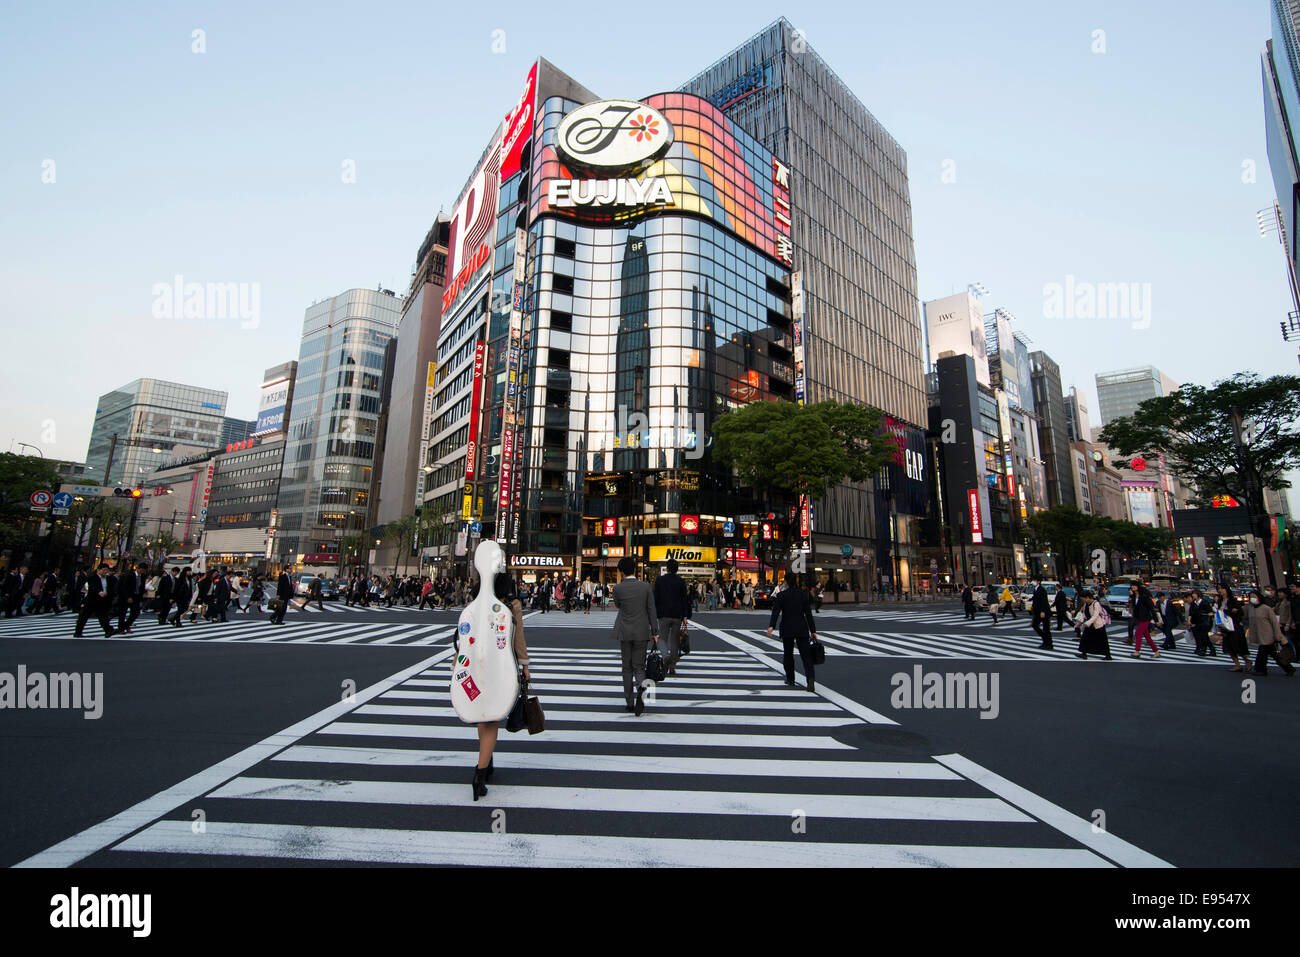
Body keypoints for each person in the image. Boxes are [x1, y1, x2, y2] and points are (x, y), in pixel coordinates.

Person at [471, 572, 531, 801]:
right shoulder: (511, 605)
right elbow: (519, 638)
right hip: (501, 665)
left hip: (477, 664)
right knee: (492, 718)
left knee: (482, 715)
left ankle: (487, 759)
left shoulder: (476, 603)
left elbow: (466, 635)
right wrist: (525, 665)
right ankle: (479, 774)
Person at [611, 555, 658, 715]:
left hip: (625, 631)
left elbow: (618, 605)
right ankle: (643, 692)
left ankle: (629, 702)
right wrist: (655, 632)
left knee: (626, 668)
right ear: (634, 570)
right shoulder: (645, 587)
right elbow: (651, 609)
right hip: (642, 631)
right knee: (639, 667)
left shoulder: (617, 589)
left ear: (622, 571)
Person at [767, 571, 819, 691]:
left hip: (787, 628)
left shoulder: (781, 596)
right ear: (795, 581)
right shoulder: (802, 595)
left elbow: (776, 612)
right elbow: (808, 613)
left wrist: (771, 626)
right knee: (806, 656)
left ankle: (790, 679)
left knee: (788, 654)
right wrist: (813, 630)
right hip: (801, 627)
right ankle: (810, 679)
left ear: (785, 582)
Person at [653, 558, 691, 677]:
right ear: (677, 569)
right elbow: (684, 599)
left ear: (667, 568)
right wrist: (685, 616)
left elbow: (656, 598)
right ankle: (672, 666)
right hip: (677, 615)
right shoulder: (681, 581)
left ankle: (665, 656)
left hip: (663, 614)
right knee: (674, 641)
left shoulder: (660, 580)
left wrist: (654, 613)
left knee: (662, 639)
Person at [1246, 588, 1295, 676]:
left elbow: (1274, 622)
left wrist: (1278, 634)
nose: (1252, 598)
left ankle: (1260, 669)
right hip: (1260, 634)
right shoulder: (1252, 609)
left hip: (1269, 634)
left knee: (1262, 653)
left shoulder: (1266, 608)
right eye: (1251, 597)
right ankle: (1288, 668)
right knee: (1273, 654)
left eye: (1254, 596)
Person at [74, 563, 117, 638]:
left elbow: (112, 588)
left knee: (103, 616)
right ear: (98, 570)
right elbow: (92, 587)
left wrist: (109, 594)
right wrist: (99, 592)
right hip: (91, 600)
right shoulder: (92, 577)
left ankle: (108, 631)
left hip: (102, 600)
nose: (105, 572)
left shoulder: (109, 578)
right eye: (104, 570)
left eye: (107, 570)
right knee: (84, 616)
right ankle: (78, 632)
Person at [1215, 584, 1249, 671]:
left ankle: (1246, 660)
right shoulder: (1220, 601)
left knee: (1237, 645)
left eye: (1222, 588)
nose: (1220, 590)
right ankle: (1237, 664)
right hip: (1225, 625)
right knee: (1229, 646)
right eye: (1219, 589)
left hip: (1234, 625)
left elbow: (1239, 612)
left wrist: (1228, 611)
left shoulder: (1232, 600)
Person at [1073, 589, 1113, 660]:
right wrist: (1078, 623)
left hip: (1098, 624)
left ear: (1088, 597)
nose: (1083, 600)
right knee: (1084, 638)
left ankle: (1108, 655)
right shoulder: (1086, 604)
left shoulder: (1096, 604)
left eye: (1084, 599)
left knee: (1102, 640)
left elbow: (1095, 615)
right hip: (1090, 625)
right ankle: (1084, 653)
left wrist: (1088, 623)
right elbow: (1084, 615)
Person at [1131, 583, 1161, 659]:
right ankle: (1156, 652)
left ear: (1138, 587)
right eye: (1132, 586)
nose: (1133, 587)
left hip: (1145, 618)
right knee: (1147, 637)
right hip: (1139, 618)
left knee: (1138, 633)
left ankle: (1137, 651)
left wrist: (1156, 620)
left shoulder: (1144, 597)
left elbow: (1151, 608)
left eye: (1134, 585)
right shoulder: (1134, 596)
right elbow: (1135, 608)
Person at [1187, 588, 1216, 656]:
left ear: (1198, 595)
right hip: (1197, 622)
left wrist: (1208, 616)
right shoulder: (1193, 603)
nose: (1193, 595)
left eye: (1194, 594)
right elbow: (1190, 613)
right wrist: (1189, 621)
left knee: (1203, 636)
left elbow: (1210, 612)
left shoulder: (1204, 602)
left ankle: (1203, 650)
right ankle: (1211, 650)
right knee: (1203, 636)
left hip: (1205, 622)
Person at [115, 562, 141, 635]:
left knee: (135, 612)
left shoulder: (142, 576)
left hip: (136, 596)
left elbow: (141, 586)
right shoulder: (129, 575)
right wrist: (127, 597)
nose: (143, 572)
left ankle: (126, 626)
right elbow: (124, 587)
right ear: (138, 569)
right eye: (142, 570)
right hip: (125, 596)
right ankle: (121, 628)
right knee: (122, 613)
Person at [1030, 577, 1052, 649]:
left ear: (1038, 581)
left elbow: (1044, 601)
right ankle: (1046, 641)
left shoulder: (1042, 589)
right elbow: (1035, 598)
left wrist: (1043, 611)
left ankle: (1048, 644)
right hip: (1037, 611)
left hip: (1043, 611)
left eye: (1034, 580)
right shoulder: (1036, 589)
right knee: (1035, 625)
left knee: (1046, 628)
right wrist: (1028, 599)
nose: (1033, 582)